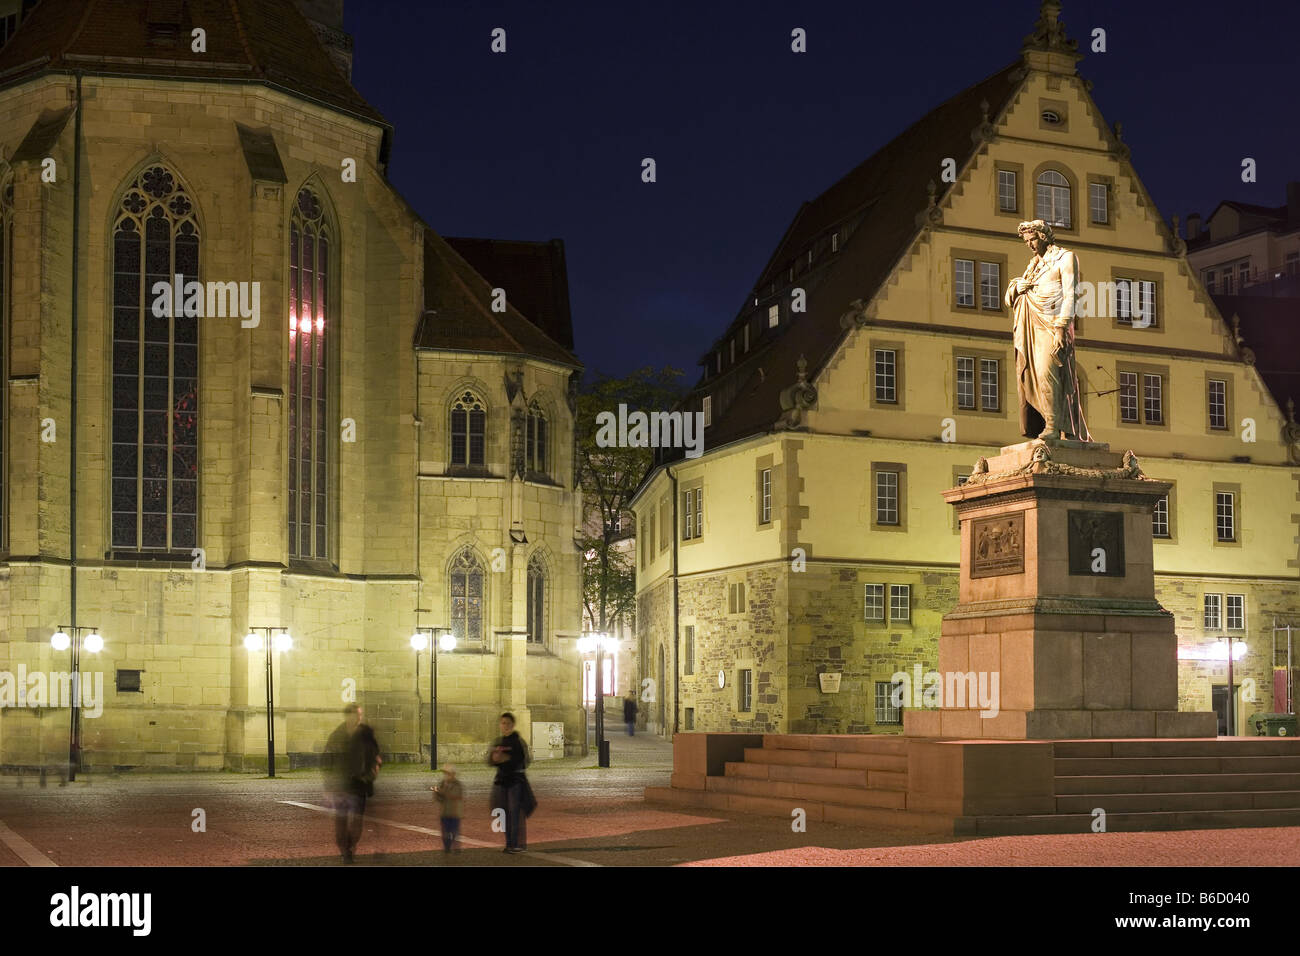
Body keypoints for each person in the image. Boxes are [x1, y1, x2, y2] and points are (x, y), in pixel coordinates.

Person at [1005, 219, 1092, 442]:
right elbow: (1010, 298)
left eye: (1032, 239)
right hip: (1032, 328)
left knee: (1048, 372)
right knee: (1034, 377)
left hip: (1053, 326)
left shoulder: (1066, 258)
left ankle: (1054, 425)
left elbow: (1072, 294)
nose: (1030, 245)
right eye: (1026, 241)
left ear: (1043, 236)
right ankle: (1048, 423)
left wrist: (1062, 327)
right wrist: (1018, 287)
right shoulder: (1033, 265)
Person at [323, 703, 382, 864]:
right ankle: (345, 850)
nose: (359, 717)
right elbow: (327, 760)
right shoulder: (337, 735)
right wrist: (329, 784)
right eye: (356, 714)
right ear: (348, 716)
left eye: (360, 714)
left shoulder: (366, 734)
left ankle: (350, 845)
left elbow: (376, 758)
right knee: (341, 821)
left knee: (357, 822)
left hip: (359, 785)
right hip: (341, 786)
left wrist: (370, 775)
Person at [487, 712, 532, 853]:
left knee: (515, 814)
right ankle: (509, 844)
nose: (505, 726)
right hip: (501, 781)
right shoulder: (498, 742)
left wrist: (507, 759)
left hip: (515, 782)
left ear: (512, 725)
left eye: (507, 723)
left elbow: (525, 761)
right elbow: (489, 760)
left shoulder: (518, 741)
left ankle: (517, 844)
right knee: (503, 813)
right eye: (502, 723)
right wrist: (494, 758)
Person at [432, 764, 464, 854]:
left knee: (454, 831)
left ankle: (456, 847)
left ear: (453, 774)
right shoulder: (442, 783)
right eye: (445, 774)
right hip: (444, 812)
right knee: (445, 832)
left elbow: (453, 795)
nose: (446, 776)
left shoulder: (458, 784)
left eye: (448, 774)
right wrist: (436, 793)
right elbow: (439, 799)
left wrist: (440, 791)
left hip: (454, 812)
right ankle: (447, 847)